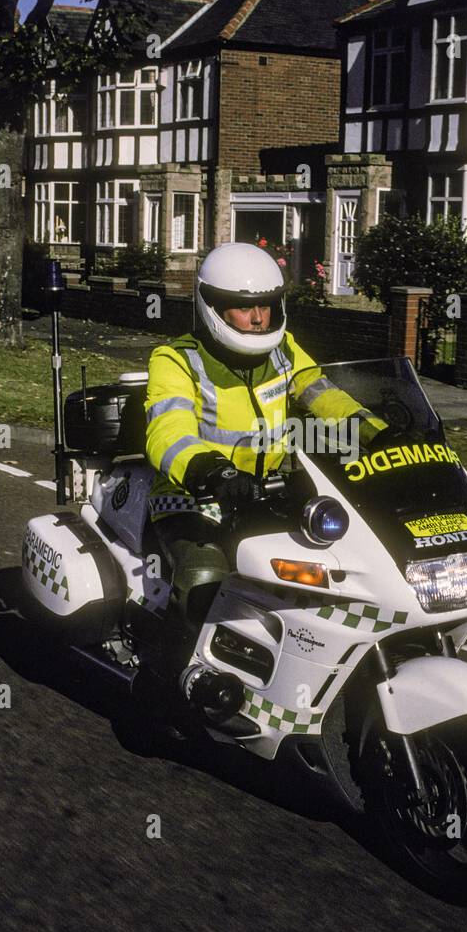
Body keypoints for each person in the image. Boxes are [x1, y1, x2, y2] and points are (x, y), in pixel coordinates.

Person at [143, 241, 384, 728]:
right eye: (244, 307)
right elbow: (166, 431)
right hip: (194, 496)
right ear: (212, 306)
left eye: (267, 305)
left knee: (340, 564)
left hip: (271, 491)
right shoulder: (177, 360)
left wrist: (378, 433)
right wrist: (209, 469)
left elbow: (327, 398)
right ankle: (163, 689)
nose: (258, 318)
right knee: (203, 576)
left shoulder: (283, 351)